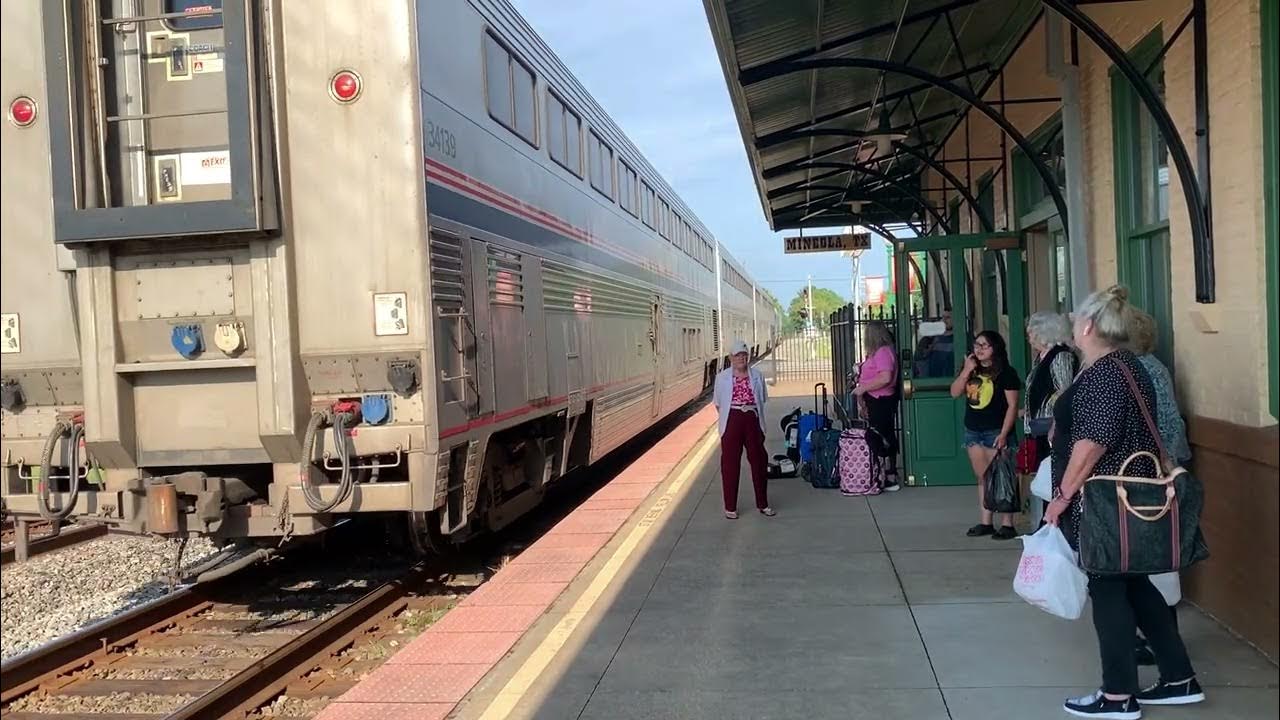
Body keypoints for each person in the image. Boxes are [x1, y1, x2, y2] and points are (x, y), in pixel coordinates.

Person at [1045, 286, 1203, 718]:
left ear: (1090, 326)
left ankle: (1118, 695)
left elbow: (1093, 443)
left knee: (1108, 588)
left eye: (1077, 319)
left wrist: (1061, 497)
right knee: (1137, 585)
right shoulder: (1125, 365)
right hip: (1127, 500)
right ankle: (1178, 678)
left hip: (1104, 502)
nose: (1073, 325)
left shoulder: (1103, 375)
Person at [1127, 309, 1191, 667]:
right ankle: (1155, 637)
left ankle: (1162, 641)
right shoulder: (1151, 366)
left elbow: (1159, 427)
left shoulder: (1143, 370)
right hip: (1161, 467)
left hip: (1155, 473)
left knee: (1156, 563)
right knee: (1154, 562)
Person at [951, 330, 1021, 540]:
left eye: (985, 345)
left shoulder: (1006, 373)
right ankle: (986, 521)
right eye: (977, 345)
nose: (979, 349)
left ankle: (1007, 524)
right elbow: (954, 392)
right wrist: (966, 370)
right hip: (973, 429)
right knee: (982, 477)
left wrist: (1004, 433)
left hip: (995, 429)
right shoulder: (971, 371)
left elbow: (1012, 406)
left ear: (995, 349)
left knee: (1002, 476)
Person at [1023, 312, 1078, 526]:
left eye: (1031, 333)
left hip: (1053, 427)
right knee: (1044, 472)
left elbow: (1065, 391)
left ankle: (1052, 521)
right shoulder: (1042, 356)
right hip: (1040, 426)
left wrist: (1051, 414)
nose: (1029, 338)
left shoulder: (1061, 356)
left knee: (1053, 472)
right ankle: (1046, 521)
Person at [712, 339, 775, 519]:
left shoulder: (757, 376)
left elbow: (761, 399)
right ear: (731, 357)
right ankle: (730, 507)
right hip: (732, 418)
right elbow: (718, 403)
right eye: (738, 355)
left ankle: (763, 504)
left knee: (759, 460)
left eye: (744, 355)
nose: (742, 358)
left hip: (752, 418)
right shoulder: (722, 377)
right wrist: (733, 413)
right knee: (730, 463)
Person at [851, 321, 901, 491]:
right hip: (875, 399)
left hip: (881, 399)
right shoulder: (878, 353)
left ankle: (887, 474)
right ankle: (885, 474)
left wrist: (863, 388)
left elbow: (885, 377)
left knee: (879, 436)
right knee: (883, 435)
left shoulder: (883, 353)